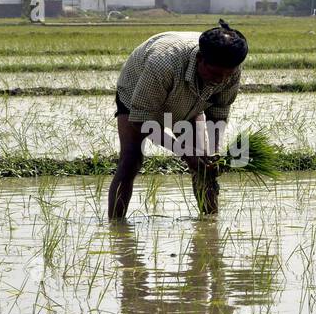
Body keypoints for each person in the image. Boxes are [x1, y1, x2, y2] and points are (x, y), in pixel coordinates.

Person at [107, 20, 249, 219]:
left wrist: (214, 153)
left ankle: (210, 226)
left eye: (228, 74)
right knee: (131, 160)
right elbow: (141, 120)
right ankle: (116, 225)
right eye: (216, 73)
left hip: (192, 100)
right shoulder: (163, 63)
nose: (221, 80)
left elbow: (218, 115)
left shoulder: (229, 68)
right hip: (137, 98)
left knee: (204, 165)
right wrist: (184, 152)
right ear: (200, 58)